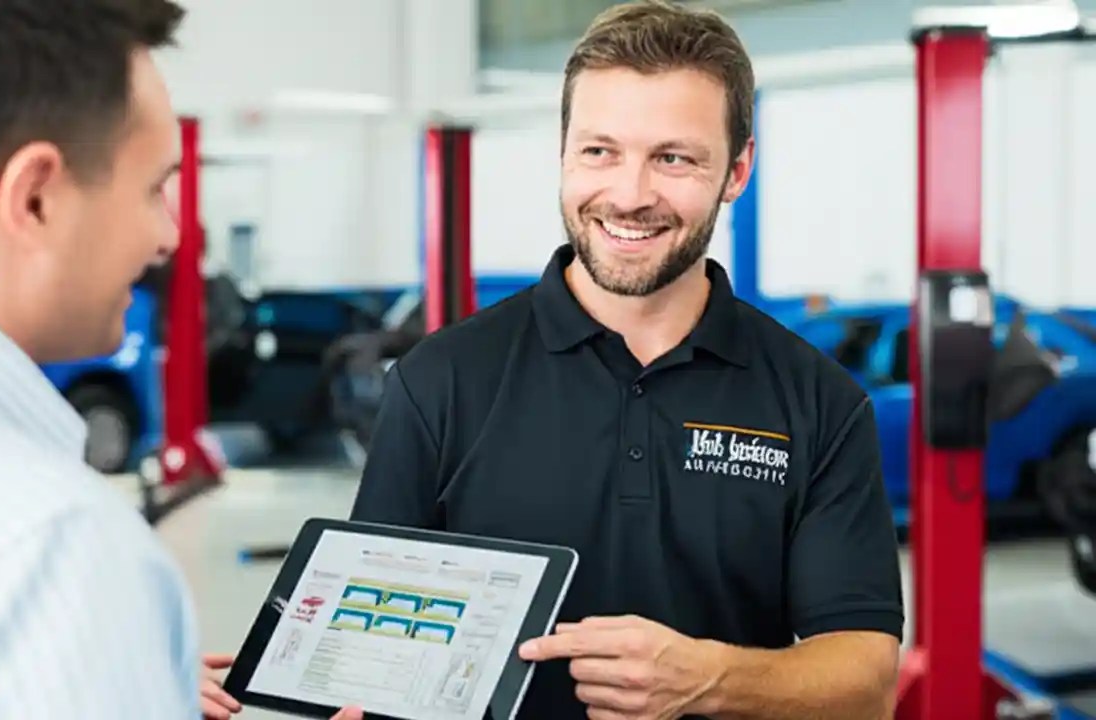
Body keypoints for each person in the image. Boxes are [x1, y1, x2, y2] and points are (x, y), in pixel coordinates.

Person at [349, 1, 904, 718]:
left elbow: (866, 682)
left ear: (737, 171)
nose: (631, 195)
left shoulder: (819, 401)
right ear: (563, 152)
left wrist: (708, 678)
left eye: (673, 158)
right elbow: (366, 653)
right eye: (600, 151)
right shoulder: (440, 380)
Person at [0, 2, 360, 719]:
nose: (168, 238)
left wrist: (116, 675)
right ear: (36, 198)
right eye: (151, 190)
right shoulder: (52, 555)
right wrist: (90, 642)